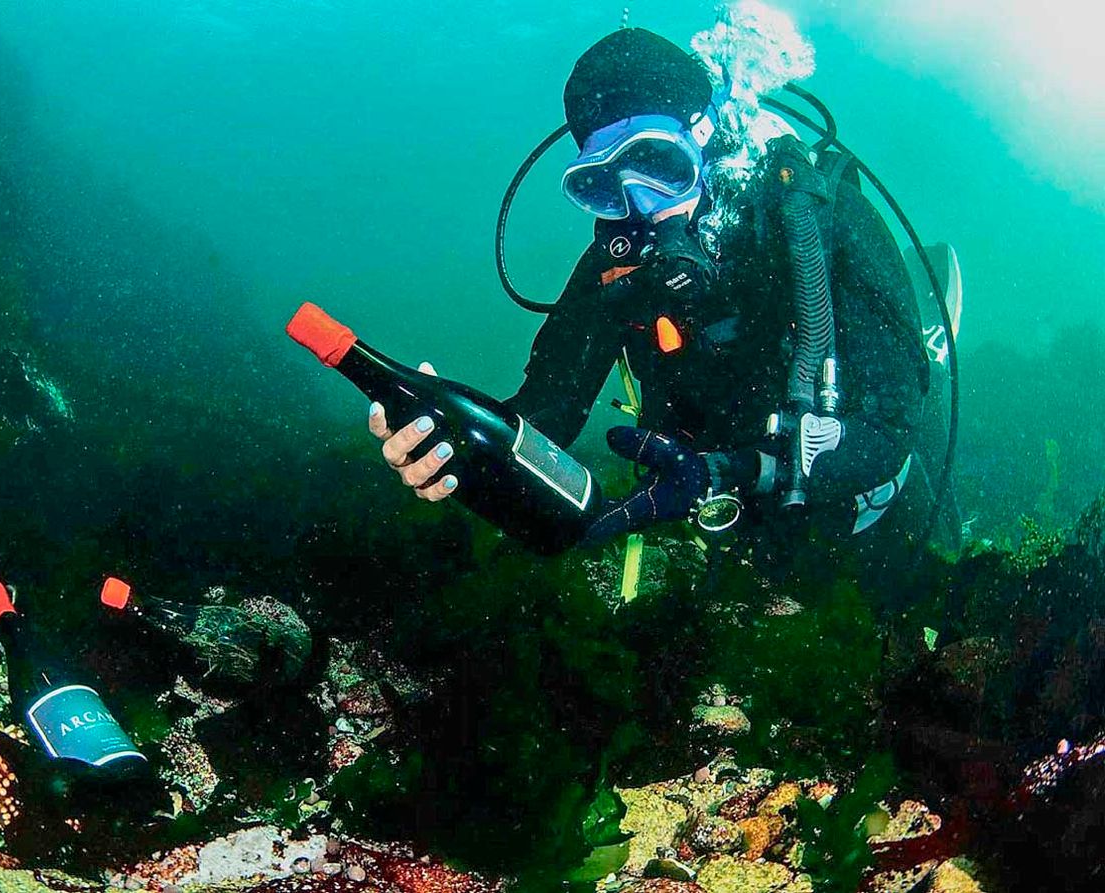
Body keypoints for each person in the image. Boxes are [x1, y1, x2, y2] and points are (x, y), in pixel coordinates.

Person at [368, 27, 934, 568]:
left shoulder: (817, 221)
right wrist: (451, 451)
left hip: (867, 513)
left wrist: (728, 471)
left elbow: (890, 430)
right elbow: (548, 412)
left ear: (707, 137)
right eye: (604, 184)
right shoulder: (615, 268)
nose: (640, 204)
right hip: (726, 532)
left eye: (660, 163)